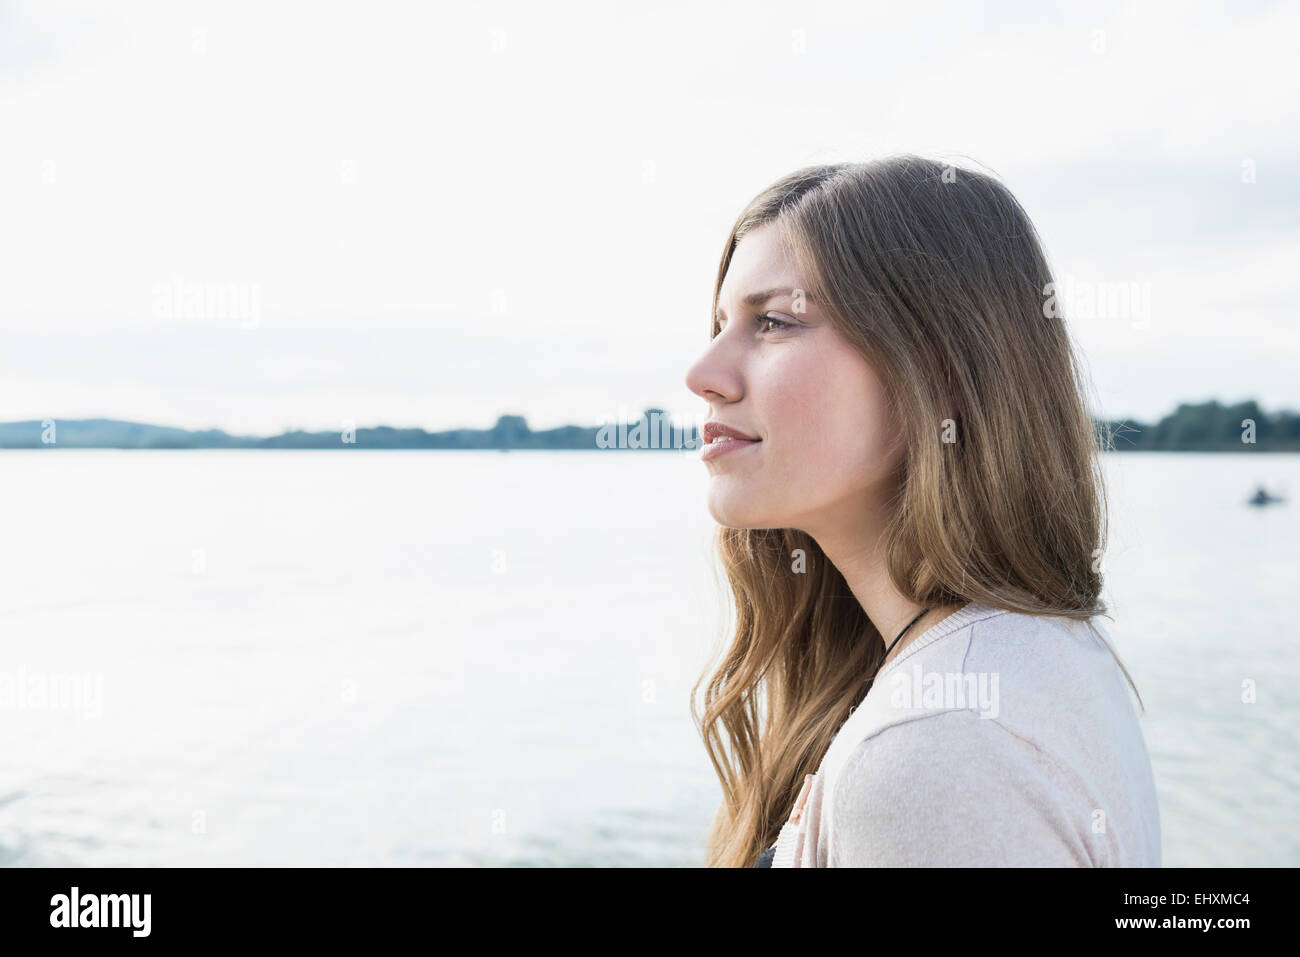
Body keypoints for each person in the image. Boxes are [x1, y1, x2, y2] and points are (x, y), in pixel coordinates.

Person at [684, 155, 1161, 868]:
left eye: (775, 322)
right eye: (722, 322)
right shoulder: (1034, 652)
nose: (703, 374)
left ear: (938, 371)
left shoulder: (938, 745)